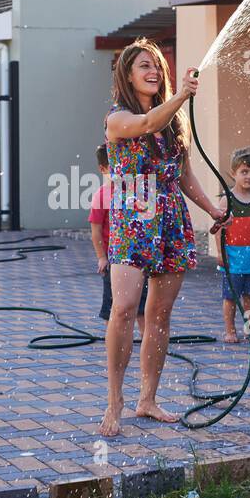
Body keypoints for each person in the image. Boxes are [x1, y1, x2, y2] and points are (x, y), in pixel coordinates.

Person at [101, 38, 228, 436]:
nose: (154, 71)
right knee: (123, 309)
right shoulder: (117, 118)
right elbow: (145, 124)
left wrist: (212, 209)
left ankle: (147, 399)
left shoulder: (174, 122)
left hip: (171, 220)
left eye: (157, 65)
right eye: (144, 66)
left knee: (159, 313)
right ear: (127, 74)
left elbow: (184, 174)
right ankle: (114, 401)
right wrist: (181, 98)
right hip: (134, 219)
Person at [88, 143, 147, 339]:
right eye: (113, 167)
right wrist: (101, 257)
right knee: (113, 303)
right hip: (113, 260)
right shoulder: (101, 196)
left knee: (142, 304)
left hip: (137, 257)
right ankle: (114, 339)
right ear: (103, 169)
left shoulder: (135, 192)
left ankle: (147, 337)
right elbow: (95, 231)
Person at [217, 147, 250, 343]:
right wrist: (221, 254)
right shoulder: (227, 201)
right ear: (234, 174)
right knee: (231, 297)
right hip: (233, 257)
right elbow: (221, 230)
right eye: (244, 172)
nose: (249, 176)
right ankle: (230, 331)